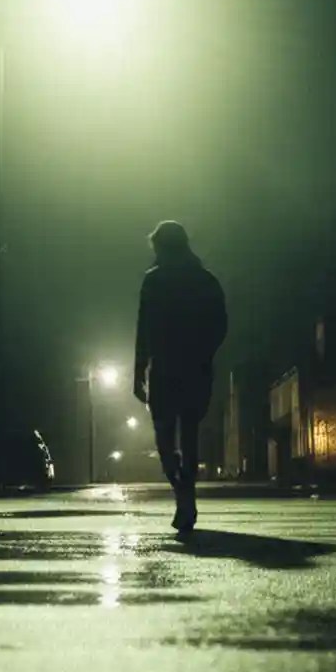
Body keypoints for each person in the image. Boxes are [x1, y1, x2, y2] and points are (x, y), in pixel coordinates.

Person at [133, 221, 227, 533]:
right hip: (196, 368)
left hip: (164, 369)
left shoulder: (154, 281)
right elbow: (220, 325)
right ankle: (187, 494)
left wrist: (138, 371)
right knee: (189, 434)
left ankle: (179, 489)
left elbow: (143, 330)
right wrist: (205, 353)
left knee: (164, 435)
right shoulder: (206, 280)